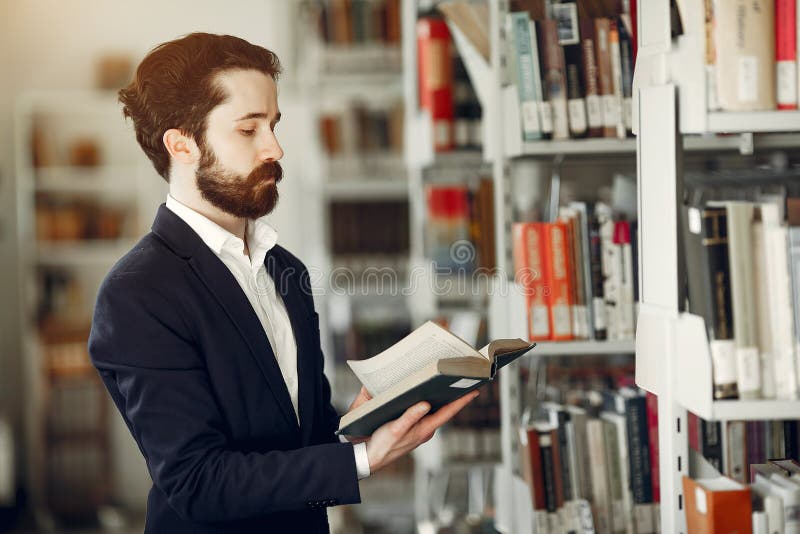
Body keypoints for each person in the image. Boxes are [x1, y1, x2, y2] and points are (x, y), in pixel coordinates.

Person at [87, 33, 478, 534]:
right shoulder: (137, 294)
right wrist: (361, 462)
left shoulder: (283, 269)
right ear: (181, 144)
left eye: (272, 125)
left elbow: (291, 432)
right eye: (248, 130)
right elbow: (196, 482)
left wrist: (359, 426)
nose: (275, 148)